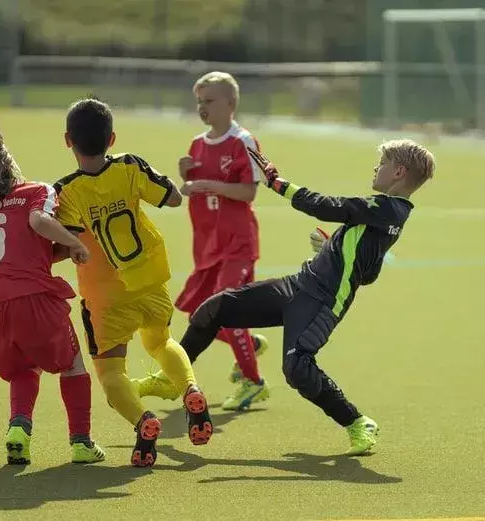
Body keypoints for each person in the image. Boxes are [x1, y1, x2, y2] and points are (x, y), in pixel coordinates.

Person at [176, 139, 435, 455]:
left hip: (321, 302)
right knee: (215, 308)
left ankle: (357, 422)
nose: (376, 169)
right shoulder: (388, 215)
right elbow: (369, 273)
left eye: (381, 164)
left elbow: (325, 206)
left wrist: (276, 182)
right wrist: (332, 252)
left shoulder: (387, 209)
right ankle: (173, 374)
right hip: (298, 285)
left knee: (297, 367)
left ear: (398, 171)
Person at [53, 98, 213, 467]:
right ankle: (190, 388)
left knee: (111, 372)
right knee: (161, 341)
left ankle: (144, 421)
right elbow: (173, 199)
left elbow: (67, 244)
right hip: (150, 276)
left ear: (67, 141)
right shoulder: (129, 165)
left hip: (105, 294)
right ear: (112, 139)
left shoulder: (67, 191)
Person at [0, 118, 106, 465]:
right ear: (5, 162)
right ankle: (81, 443)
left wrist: (64, 250)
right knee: (73, 365)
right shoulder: (37, 191)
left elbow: (28, 251)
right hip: (33, 301)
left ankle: (19, 430)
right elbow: (38, 223)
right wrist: (76, 242)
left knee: (23, 368)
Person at [136, 71, 270, 411]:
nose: (202, 107)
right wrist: (187, 175)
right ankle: (247, 344)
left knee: (226, 312)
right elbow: (196, 189)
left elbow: (249, 191)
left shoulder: (243, 141)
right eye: (199, 101)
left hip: (237, 244)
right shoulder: (197, 143)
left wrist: (206, 184)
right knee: (200, 314)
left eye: (209, 101)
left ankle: (253, 382)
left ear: (230, 103)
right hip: (208, 246)